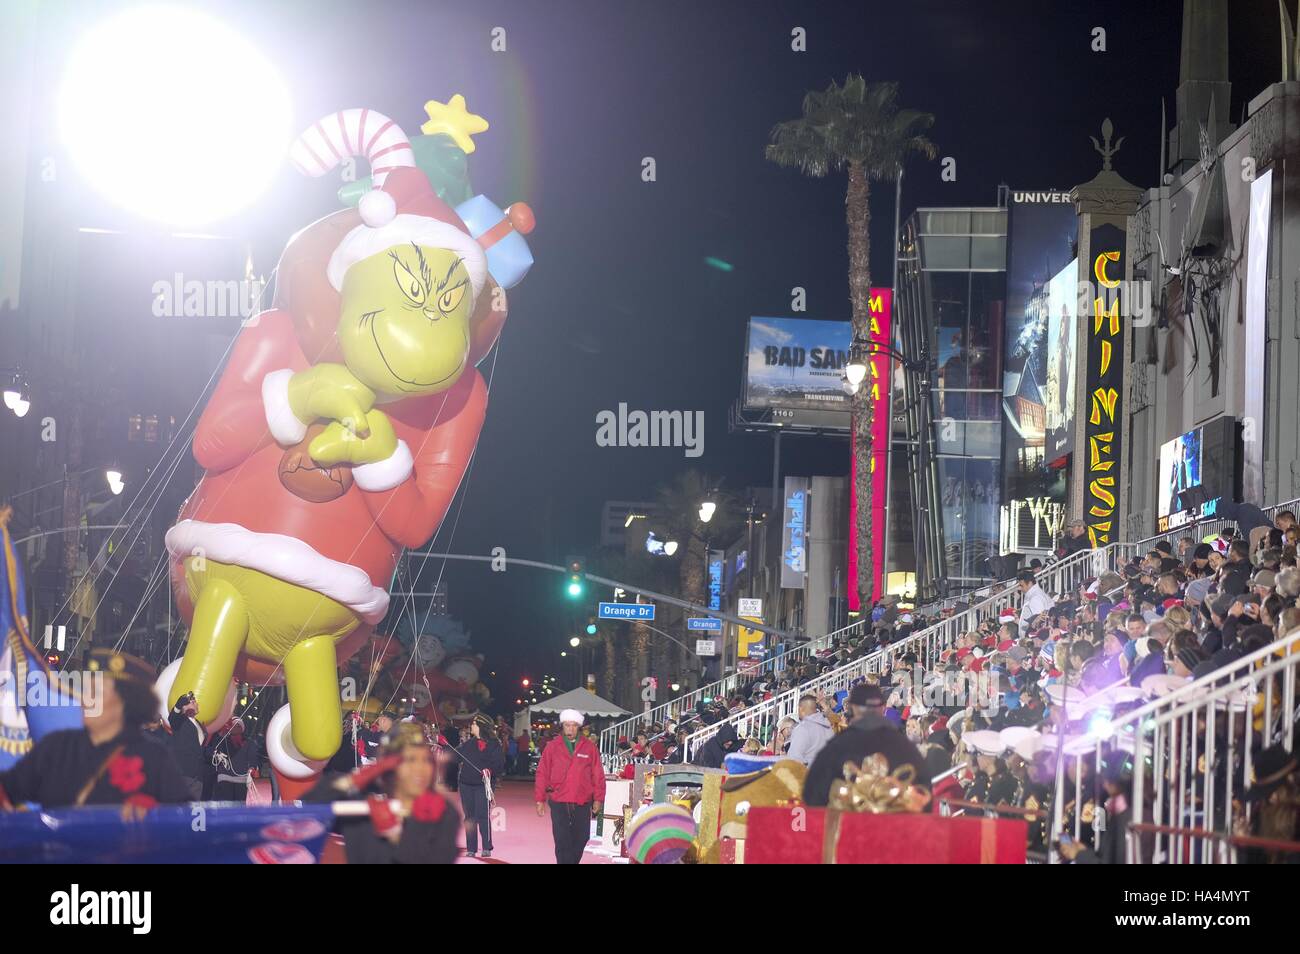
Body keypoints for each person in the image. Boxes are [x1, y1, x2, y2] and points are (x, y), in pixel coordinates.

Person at [0, 649, 190, 811]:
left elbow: (182, 819)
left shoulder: (153, 758)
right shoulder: (57, 748)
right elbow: (9, 789)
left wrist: (152, 815)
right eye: (86, 690)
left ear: (125, 702)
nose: (86, 700)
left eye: (96, 692)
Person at [305, 722, 459, 864]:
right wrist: (356, 779)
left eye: (426, 760)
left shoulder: (442, 811)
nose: (420, 769)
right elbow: (312, 806)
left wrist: (393, 832)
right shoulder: (363, 801)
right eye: (410, 760)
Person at [803, 684, 925, 807]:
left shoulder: (836, 746)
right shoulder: (904, 745)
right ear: (882, 707)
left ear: (853, 708)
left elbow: (812, 795)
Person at [534, 708, 605, 865]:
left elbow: (598, 774)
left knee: (582, 837)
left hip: (582, 800)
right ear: (562, 726)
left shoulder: (589, 747)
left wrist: (598, 799)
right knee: (562, 839)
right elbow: (542, 773)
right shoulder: (552, 747)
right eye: (567, 725)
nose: (570, 729)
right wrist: (540, 799)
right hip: (559, 799)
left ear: (578, 727)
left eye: (573, 725)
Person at [456, 715, 505, 858]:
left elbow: (499, 765)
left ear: (481, 726)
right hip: (466, 784)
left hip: (483, 784)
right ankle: (471, 848)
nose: (471, 726)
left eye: (474, 724)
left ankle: (486, 846)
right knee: (469, 817)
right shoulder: (468, 744)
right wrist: (444, 745)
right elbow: (456, 756)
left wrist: (489, 770)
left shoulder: (494, 744)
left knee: (482, 815)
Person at [166, 688, 207, 800]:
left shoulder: (198, 723)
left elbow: (199, 747)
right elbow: (172, 718)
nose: (196, 704)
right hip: (183, 773)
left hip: (198, 775)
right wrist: (178, 706)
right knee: (180, 805)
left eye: (195, 702)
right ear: (184, 707)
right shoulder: (180, 721)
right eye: (192, 702)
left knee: (194, 806)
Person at [209, 717, 260, 802]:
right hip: (225, 777)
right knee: (226, 804)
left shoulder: (249, 742)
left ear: (242, 729)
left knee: (240, 804)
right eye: (233, 725)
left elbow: (253, 758)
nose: (235, 727)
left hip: (241, 778)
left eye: (238, 726)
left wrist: (252, 768)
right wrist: (221, 734)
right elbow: (213, 749)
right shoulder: (223, 740)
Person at [785, 693, 834, 765]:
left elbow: (794, 759)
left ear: (801, 708)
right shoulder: (828, 727)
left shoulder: (802, 729)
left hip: (809, 771)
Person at [1016, 570, 1053, 636]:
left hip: (1033, 638)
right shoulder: (1036, 595)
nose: (1019, 588)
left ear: (1030, 583)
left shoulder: (1035, 598)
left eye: (1021, 585)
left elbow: (1039, 623)